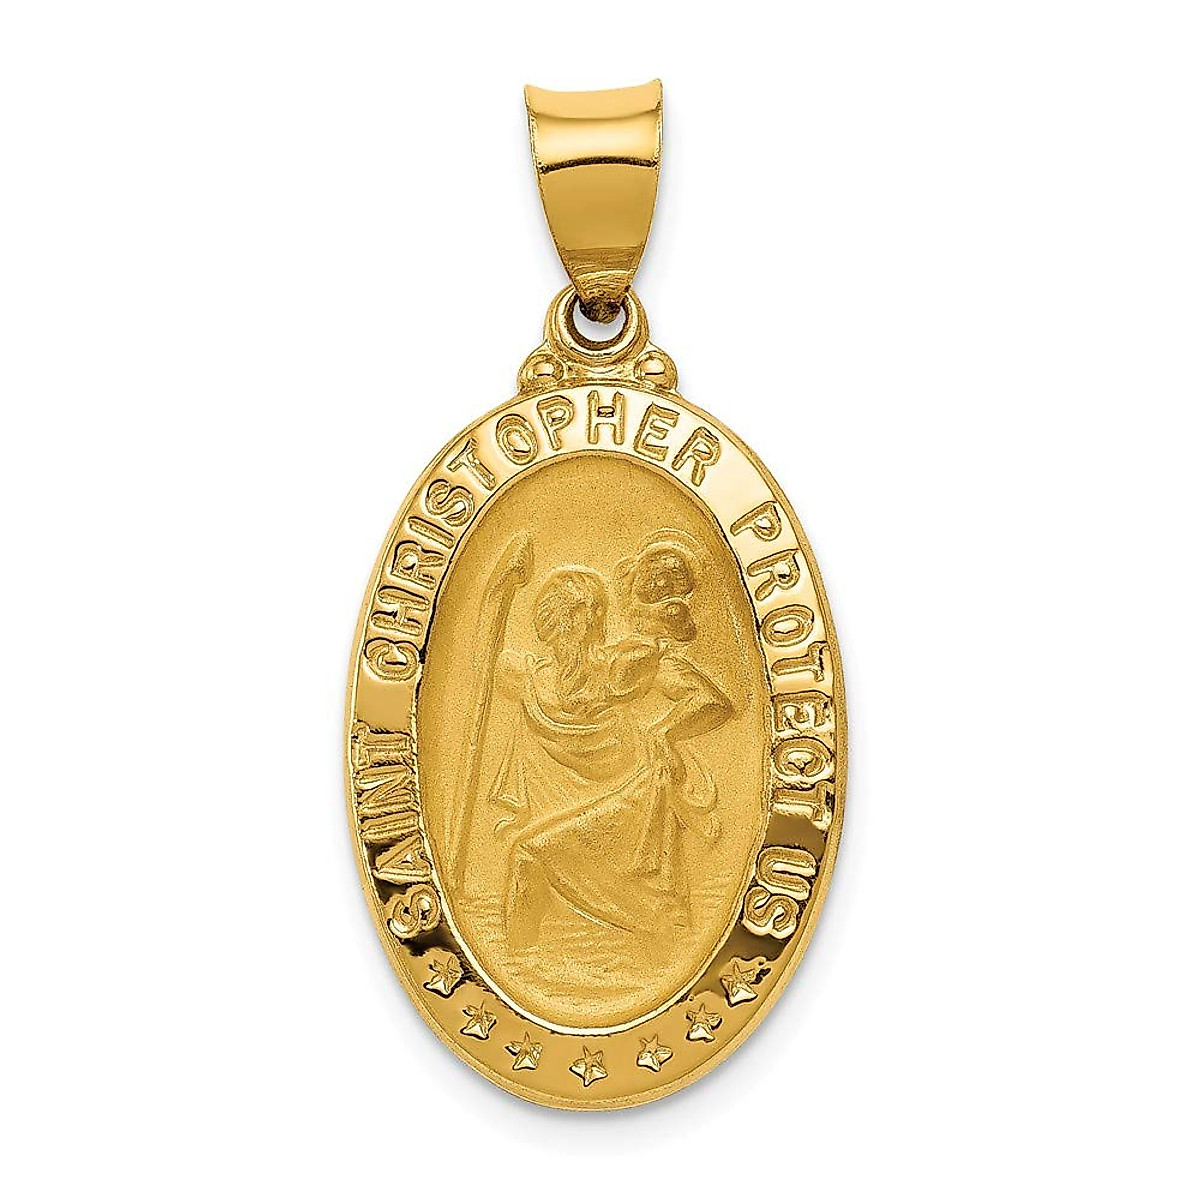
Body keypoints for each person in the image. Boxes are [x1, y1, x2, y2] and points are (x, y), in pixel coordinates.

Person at [487, 534, 734, 949]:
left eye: (580, 617)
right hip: (593, 805)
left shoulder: (628, 664)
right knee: (529, 860)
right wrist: (497, 592)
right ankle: (521, 960)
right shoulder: (538, 678)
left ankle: (520, 958)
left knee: (528, 856)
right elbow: (485, 660)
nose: (573, 629)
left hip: (634, 798)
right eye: (560, 622)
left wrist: (663, 730)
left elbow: (712, 702)